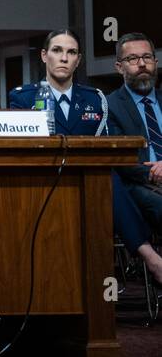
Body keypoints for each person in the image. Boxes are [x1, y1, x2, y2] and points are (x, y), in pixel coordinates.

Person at [11, 29, 162, 283]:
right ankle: (150, 256)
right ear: (44, 56)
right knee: (107, 176)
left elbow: (104, 151)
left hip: (89, 186)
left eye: (71, 52)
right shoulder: (23, 98)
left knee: (103, 174)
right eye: (57, 51)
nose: (64, 58)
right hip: (43, 184)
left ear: (79, 60)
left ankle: (147, 258)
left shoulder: (95, 100)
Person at [106, 33, 162, 281]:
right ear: (120, 66)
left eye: (147, 57)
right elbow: (119, 159)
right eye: (132, 58)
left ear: (155, 62)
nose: (142, 64)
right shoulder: (109, 106)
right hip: (139, 184)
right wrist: (156, 171)